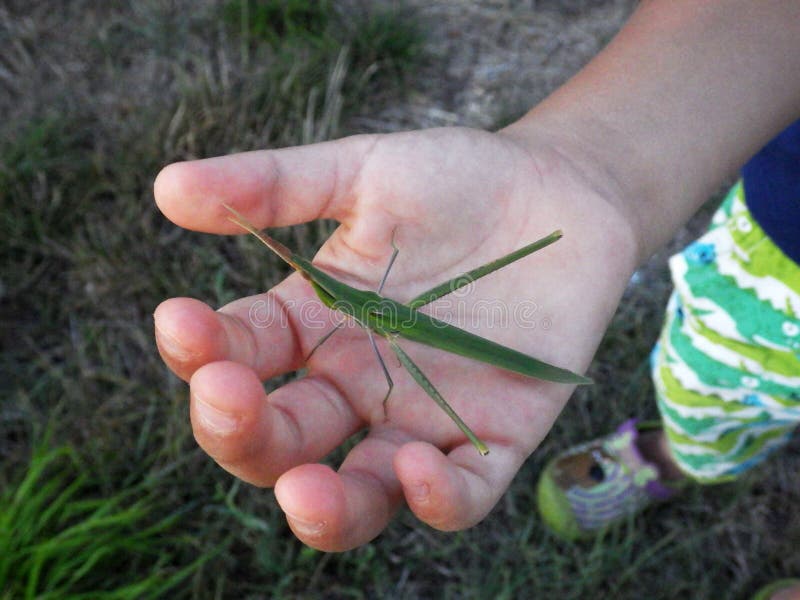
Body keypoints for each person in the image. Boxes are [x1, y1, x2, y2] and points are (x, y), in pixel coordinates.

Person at [153, 1, 799, 594]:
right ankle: (686, 441)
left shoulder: (343, 313)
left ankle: (507, 416)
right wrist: (588, 170)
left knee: (402, 374)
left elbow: (361, 347)